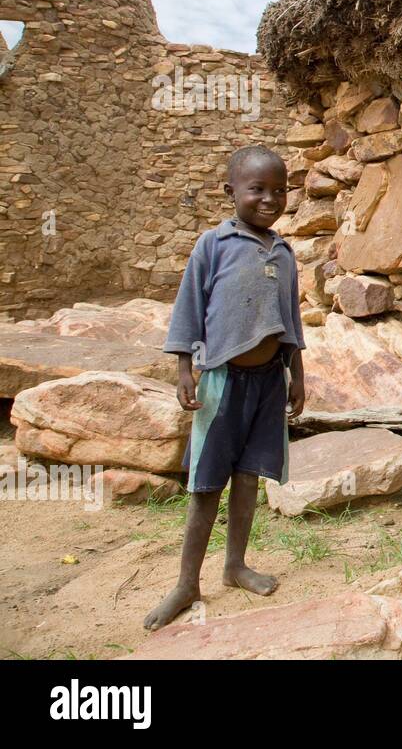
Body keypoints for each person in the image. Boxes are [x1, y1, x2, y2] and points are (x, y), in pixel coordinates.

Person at [144, 145, 306, 631]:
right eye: (257, 189)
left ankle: (235, 566)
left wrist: (298, 375)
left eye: (279, 190)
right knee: (206, 484)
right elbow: (188, 309)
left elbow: (291, 321)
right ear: (230, 191)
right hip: (221, 382)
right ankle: (186, 583)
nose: (269, 199)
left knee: (250, 477)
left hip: (268, 384)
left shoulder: (284, 250)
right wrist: (182, 370)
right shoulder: (213, 245)